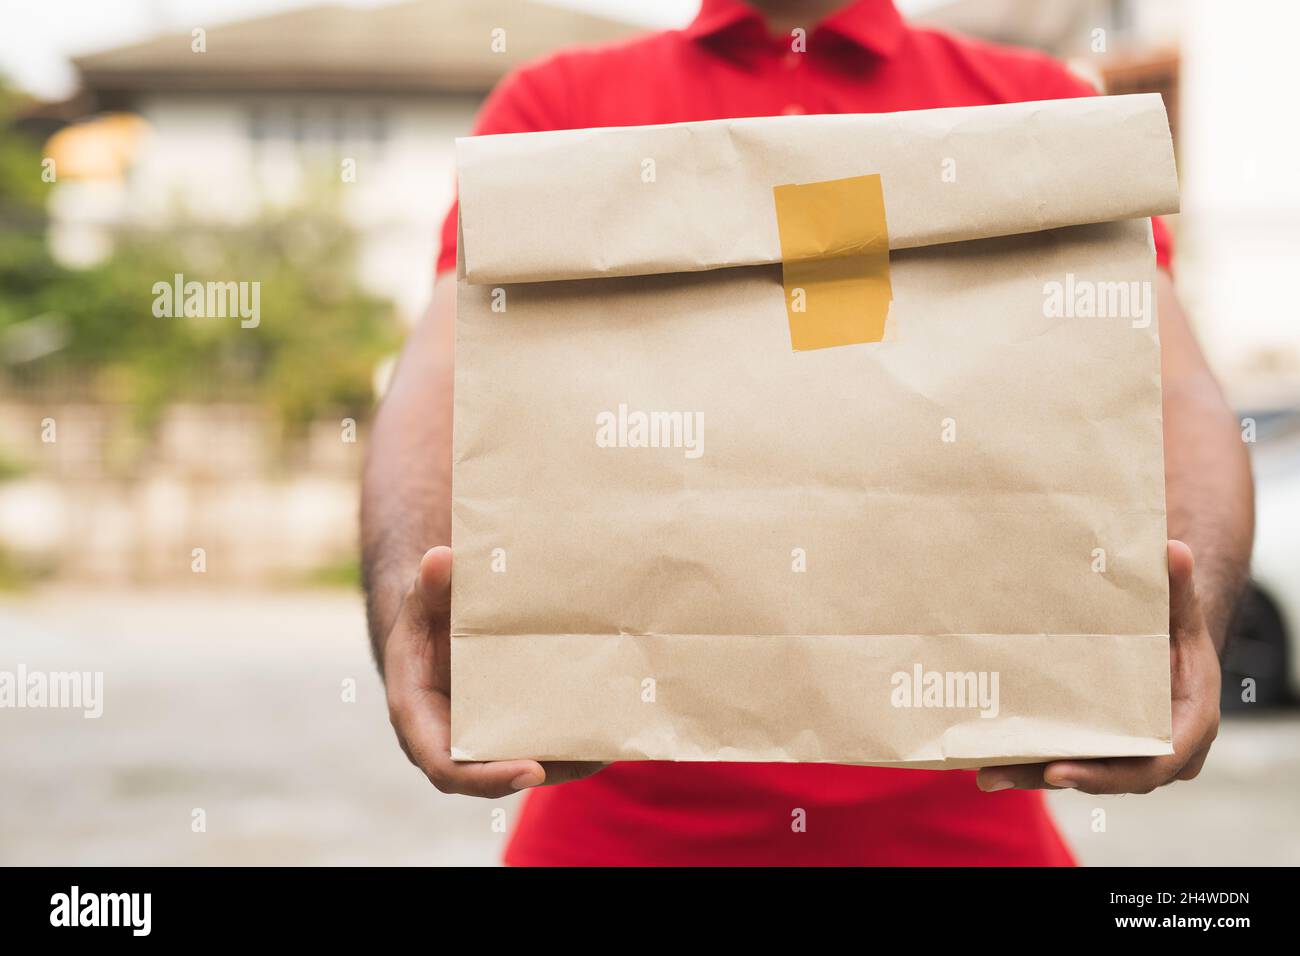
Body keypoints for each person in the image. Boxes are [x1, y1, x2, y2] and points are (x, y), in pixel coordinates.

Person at [361, 0, 1254, 865]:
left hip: (969, 838)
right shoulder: (552, 110)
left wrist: (1186, 637)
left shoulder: (1043, 110)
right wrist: (409, 609)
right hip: (611, 837)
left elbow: (1177, 389)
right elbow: (441, 373)